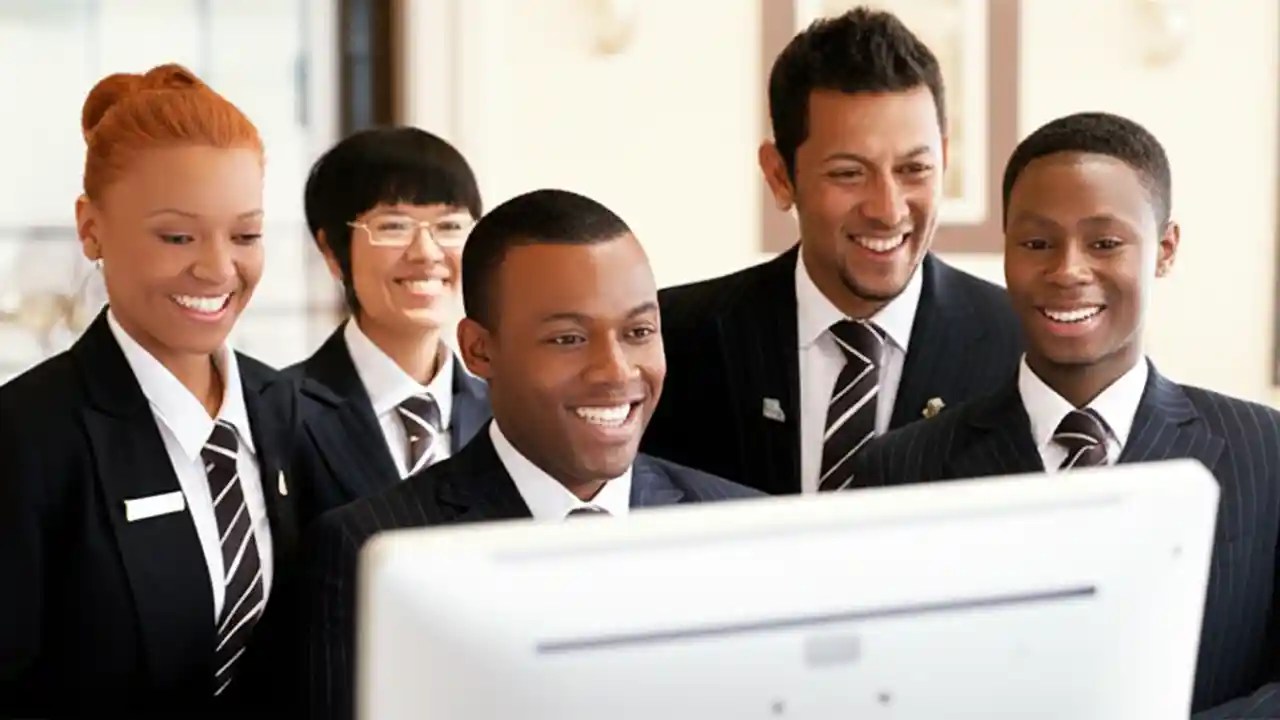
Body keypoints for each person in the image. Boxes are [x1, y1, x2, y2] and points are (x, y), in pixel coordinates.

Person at [848, 111, 1280, 718]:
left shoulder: (1266, 453)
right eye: (1037, 243)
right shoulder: (902, 469)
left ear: (1165, 249)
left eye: (1105, 243)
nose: (1068, 270)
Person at [299, 189, 761, 720]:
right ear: (479, 349)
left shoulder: (742, 530)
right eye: (568, 339)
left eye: (638, 332)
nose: (615, 371)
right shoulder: (375, 553)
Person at [0, 64, 305, 717]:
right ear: (91, 229)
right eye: (177, 236)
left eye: (246, 235)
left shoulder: (285, 409)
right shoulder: (27, 439)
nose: (219, 268)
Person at [642, 6, 1022, 495]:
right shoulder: (677, 342)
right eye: (849, 173)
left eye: (914, 170)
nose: (888, 210)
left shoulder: (1019, 348)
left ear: (943, 159)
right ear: (780, 176)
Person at [289, 127, 490, 518]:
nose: (427, 253)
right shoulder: (280, 415)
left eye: (449, 226)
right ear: (331, 250)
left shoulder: (510, 414)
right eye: (393, 226)